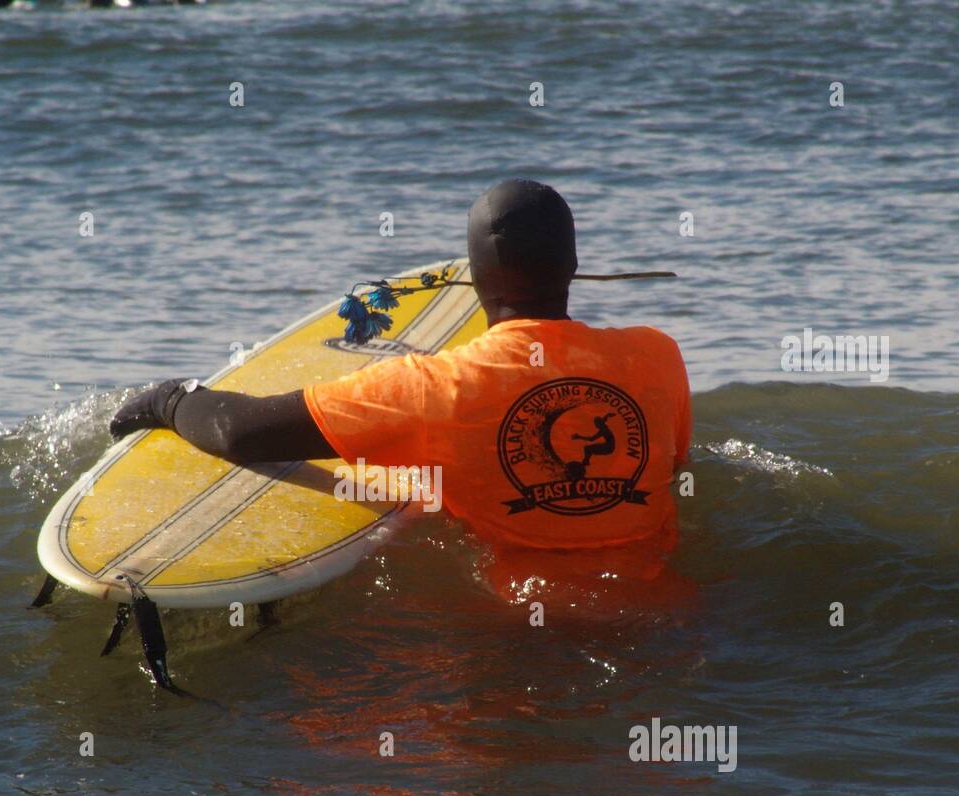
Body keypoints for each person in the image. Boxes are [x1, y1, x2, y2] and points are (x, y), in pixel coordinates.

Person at [111, 179, 691, 584]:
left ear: (475, 275)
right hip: (666, 614)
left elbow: (240, 433)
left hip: (519, 629)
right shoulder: (658, 356)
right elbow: (671, 469)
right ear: (572, 266)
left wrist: (171, 398)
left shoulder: (433, 386)